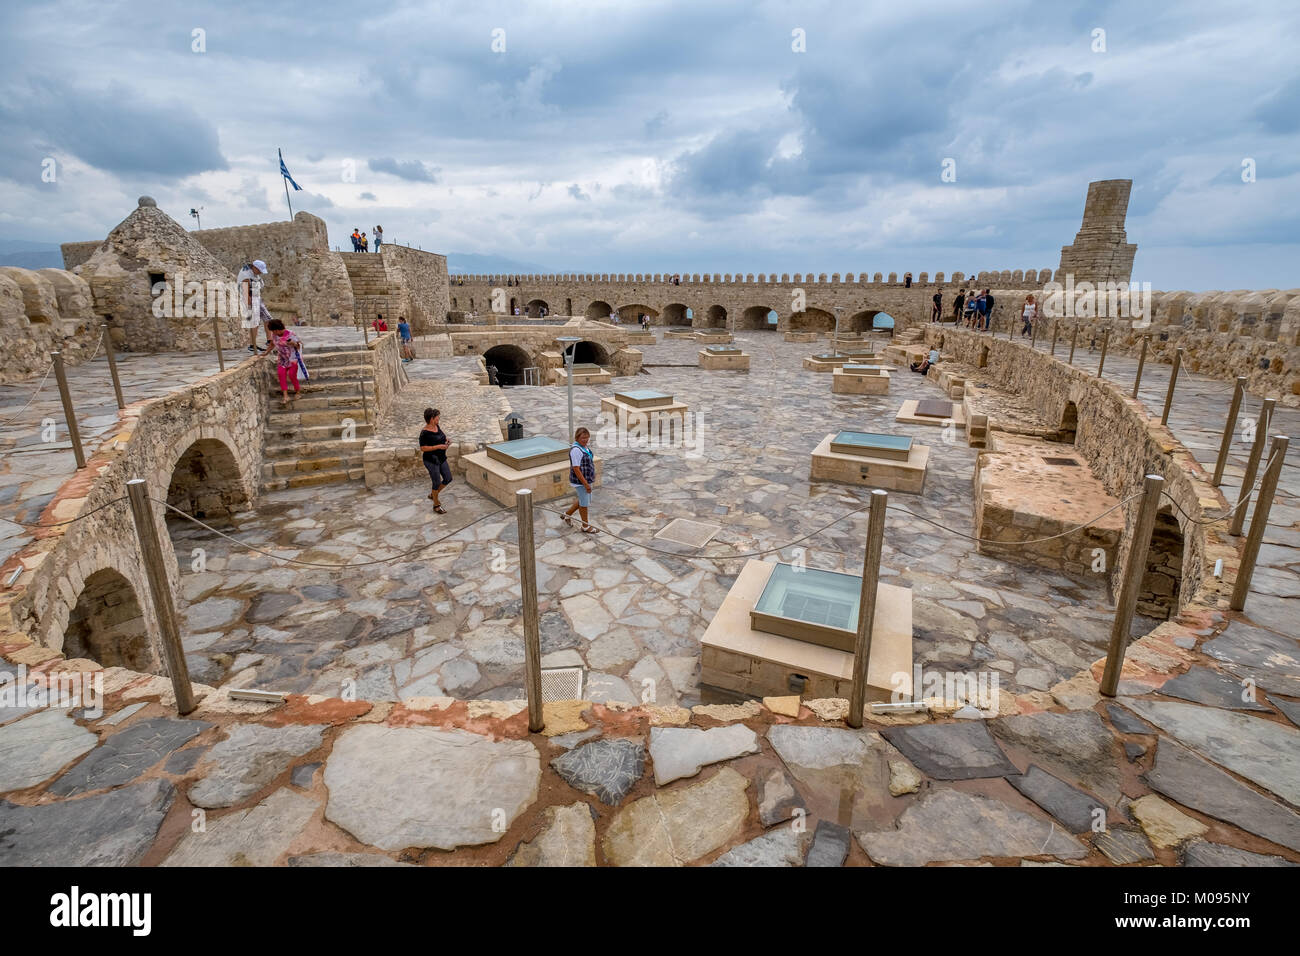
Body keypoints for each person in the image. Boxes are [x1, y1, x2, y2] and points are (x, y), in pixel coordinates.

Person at [562, 427, 596, 533]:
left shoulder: (584, 447)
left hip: (587, 480)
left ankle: (567, 514)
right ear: (577, 438)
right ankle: (585, 526)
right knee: (584, 503)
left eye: (587, 437)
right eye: (583, 438)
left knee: (584, 499)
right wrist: (585, 484)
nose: (585, 440)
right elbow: (576, 469)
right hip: (581, 481)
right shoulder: (576, 450)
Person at [419, 408, 452, 514]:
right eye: (437, 417)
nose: (439, 419)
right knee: (436, 482)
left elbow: (442, 436)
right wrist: (438, 446)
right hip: (431, 461)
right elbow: (423, 448)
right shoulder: (424, 433)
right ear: (432, 419)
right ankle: (436, 505)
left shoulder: (436, 426)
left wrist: (446, 440)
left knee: (448, 478)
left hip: (441, 458)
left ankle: (433, 494)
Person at [264, 318, 302, 406]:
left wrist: (294, 343)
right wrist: (266, 353)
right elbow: (272, 344)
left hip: (293, 359)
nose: (273, 333)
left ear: (277, 329)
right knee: (281, 375)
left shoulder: (291, 334)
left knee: (292, 375)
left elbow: (299, 346)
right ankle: (285, 396)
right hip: (282, 359)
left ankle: (298, 392)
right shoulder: (274, 335)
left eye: (274, 331)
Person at [237, 259, 273, 352]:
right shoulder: (245, 275)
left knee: (268, 318)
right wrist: (249, 306)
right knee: (255, 322)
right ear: (255, 267)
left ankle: (270, 340)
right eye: (260, 270)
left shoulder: (254, 273)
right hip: (251, 299)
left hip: (257, 298)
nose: (261, 272)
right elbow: (245, 293)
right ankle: (252, 345)